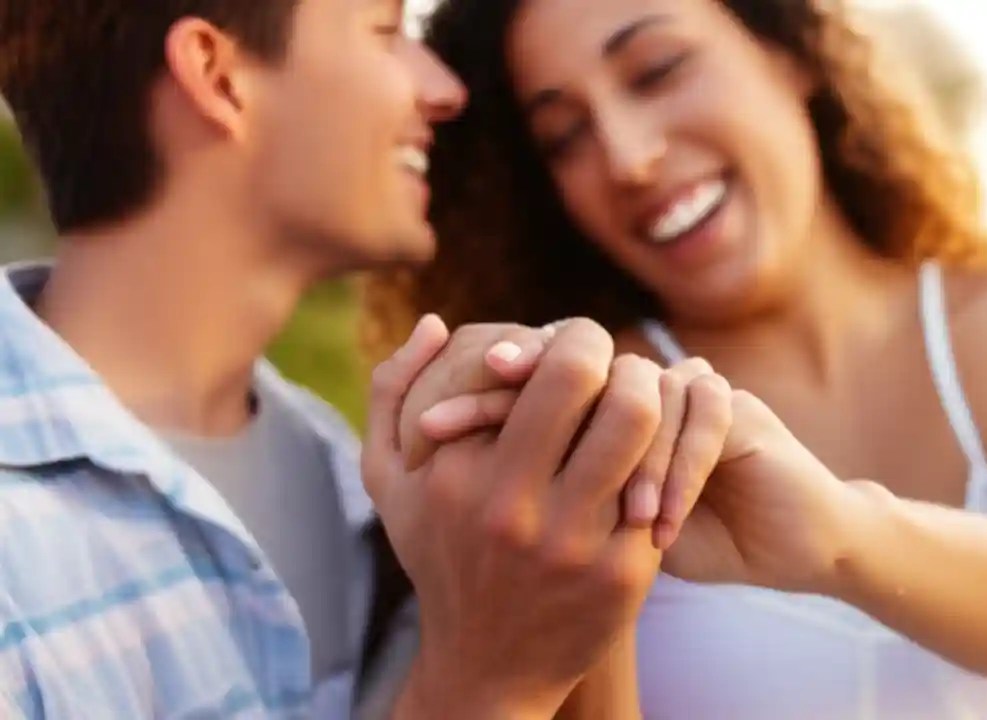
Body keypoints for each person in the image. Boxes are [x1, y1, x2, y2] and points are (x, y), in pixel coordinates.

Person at [363, 0, 987, 716]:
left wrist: (838, 534)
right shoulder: (582, 400)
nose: (628, 156)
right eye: (564, 135)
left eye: (656, 70)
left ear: (791, 51)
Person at [0, 1, 730, 717]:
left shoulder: (368, 488)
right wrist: (486, 681)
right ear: (218, 77)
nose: (446, 91)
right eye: (386, 31)